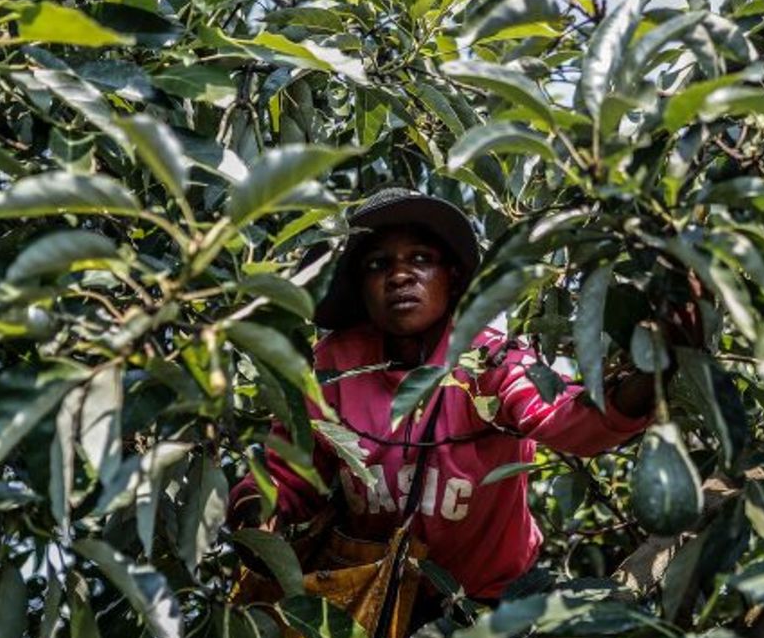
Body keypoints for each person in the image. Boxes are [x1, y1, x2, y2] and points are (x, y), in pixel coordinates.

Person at [227, 187, 691, 606]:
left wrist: (657, 358)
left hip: (487, 601)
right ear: (359, 288)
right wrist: (258, 519)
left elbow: (570, 418)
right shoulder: (331, 366)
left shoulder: (491, 359)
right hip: (365, 598)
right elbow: (287, 470)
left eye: (420, 259)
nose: (399, 276)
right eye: (378, 264)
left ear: (450, 277)